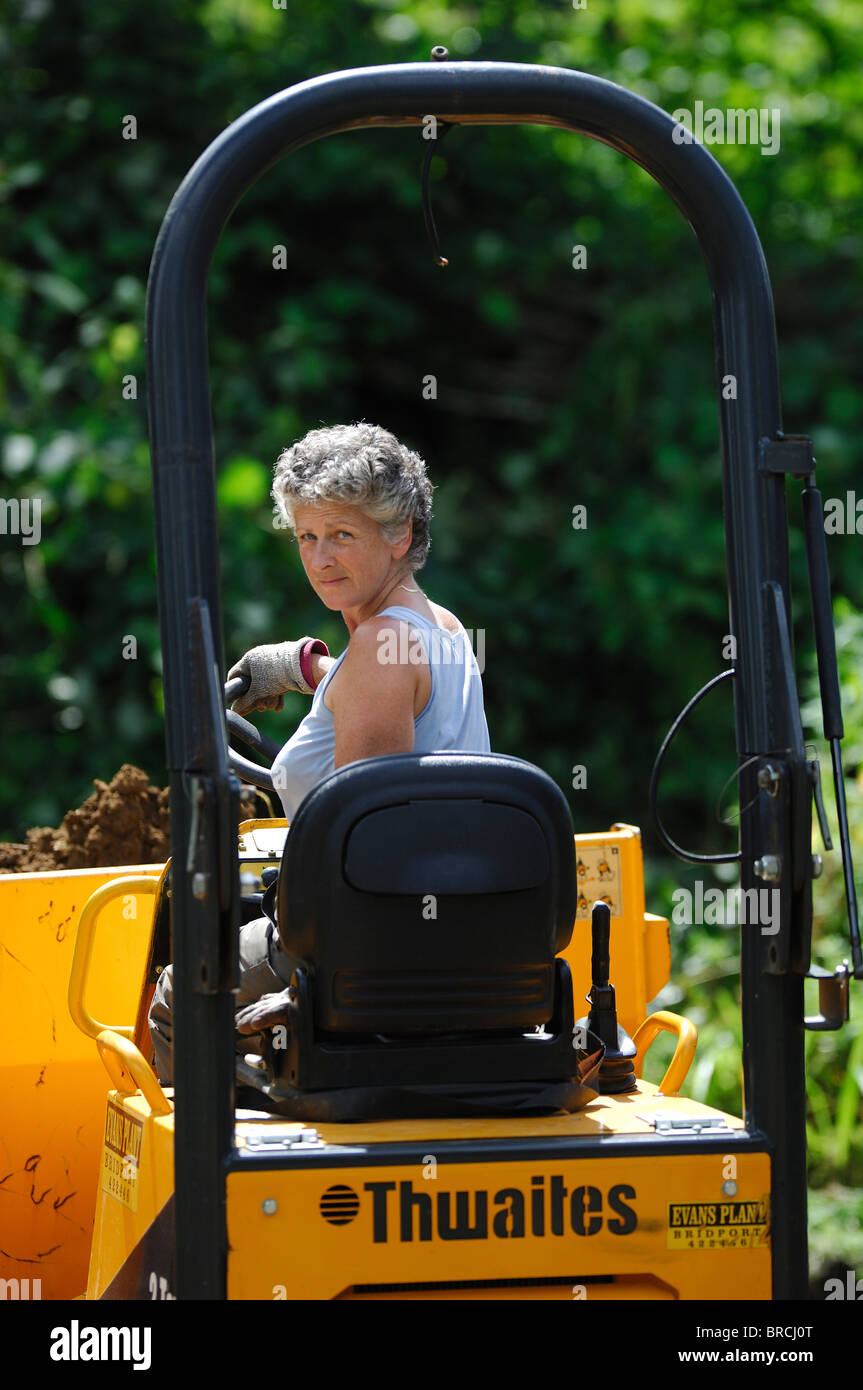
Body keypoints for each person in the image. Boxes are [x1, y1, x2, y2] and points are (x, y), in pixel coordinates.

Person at [148, 422, 490, 1082]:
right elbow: (401, 701)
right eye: (307, 536)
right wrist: (309, 670)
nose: (320, 557)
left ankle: (216, 1174)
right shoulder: (439, 625)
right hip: (447, 923)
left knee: (176, 992)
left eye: (342, 534)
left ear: (402, 536)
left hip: (372, 947)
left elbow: (363, 851)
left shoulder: (376, 661)